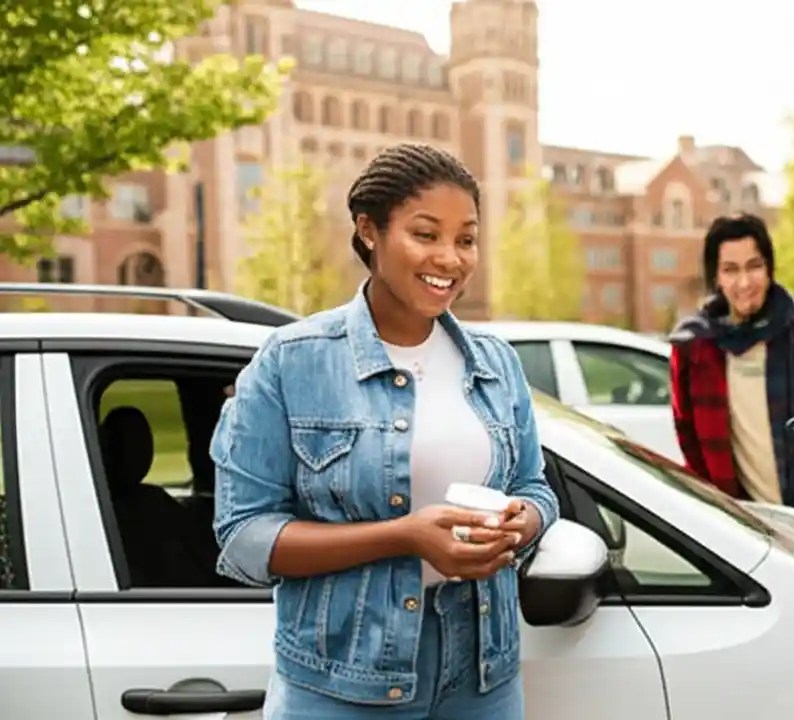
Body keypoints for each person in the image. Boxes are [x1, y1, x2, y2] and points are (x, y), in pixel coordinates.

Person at [212, 143, 559, 719]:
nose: (450, 258)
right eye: (426, 235)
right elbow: (245, 538)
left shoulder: (497, 363)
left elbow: (534, 486)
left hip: (482, 674)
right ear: (369, 231)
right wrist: (404, 536)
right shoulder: (293, 360)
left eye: (466, 239)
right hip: (343, 680)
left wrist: (522, 522)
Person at [669, 213, 794, 511]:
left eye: (754, 266)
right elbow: (688, 436)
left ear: (769, 269)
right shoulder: (695, 347)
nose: (744, 282)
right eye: (730, 270)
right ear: (716, 277)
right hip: (745, 521)